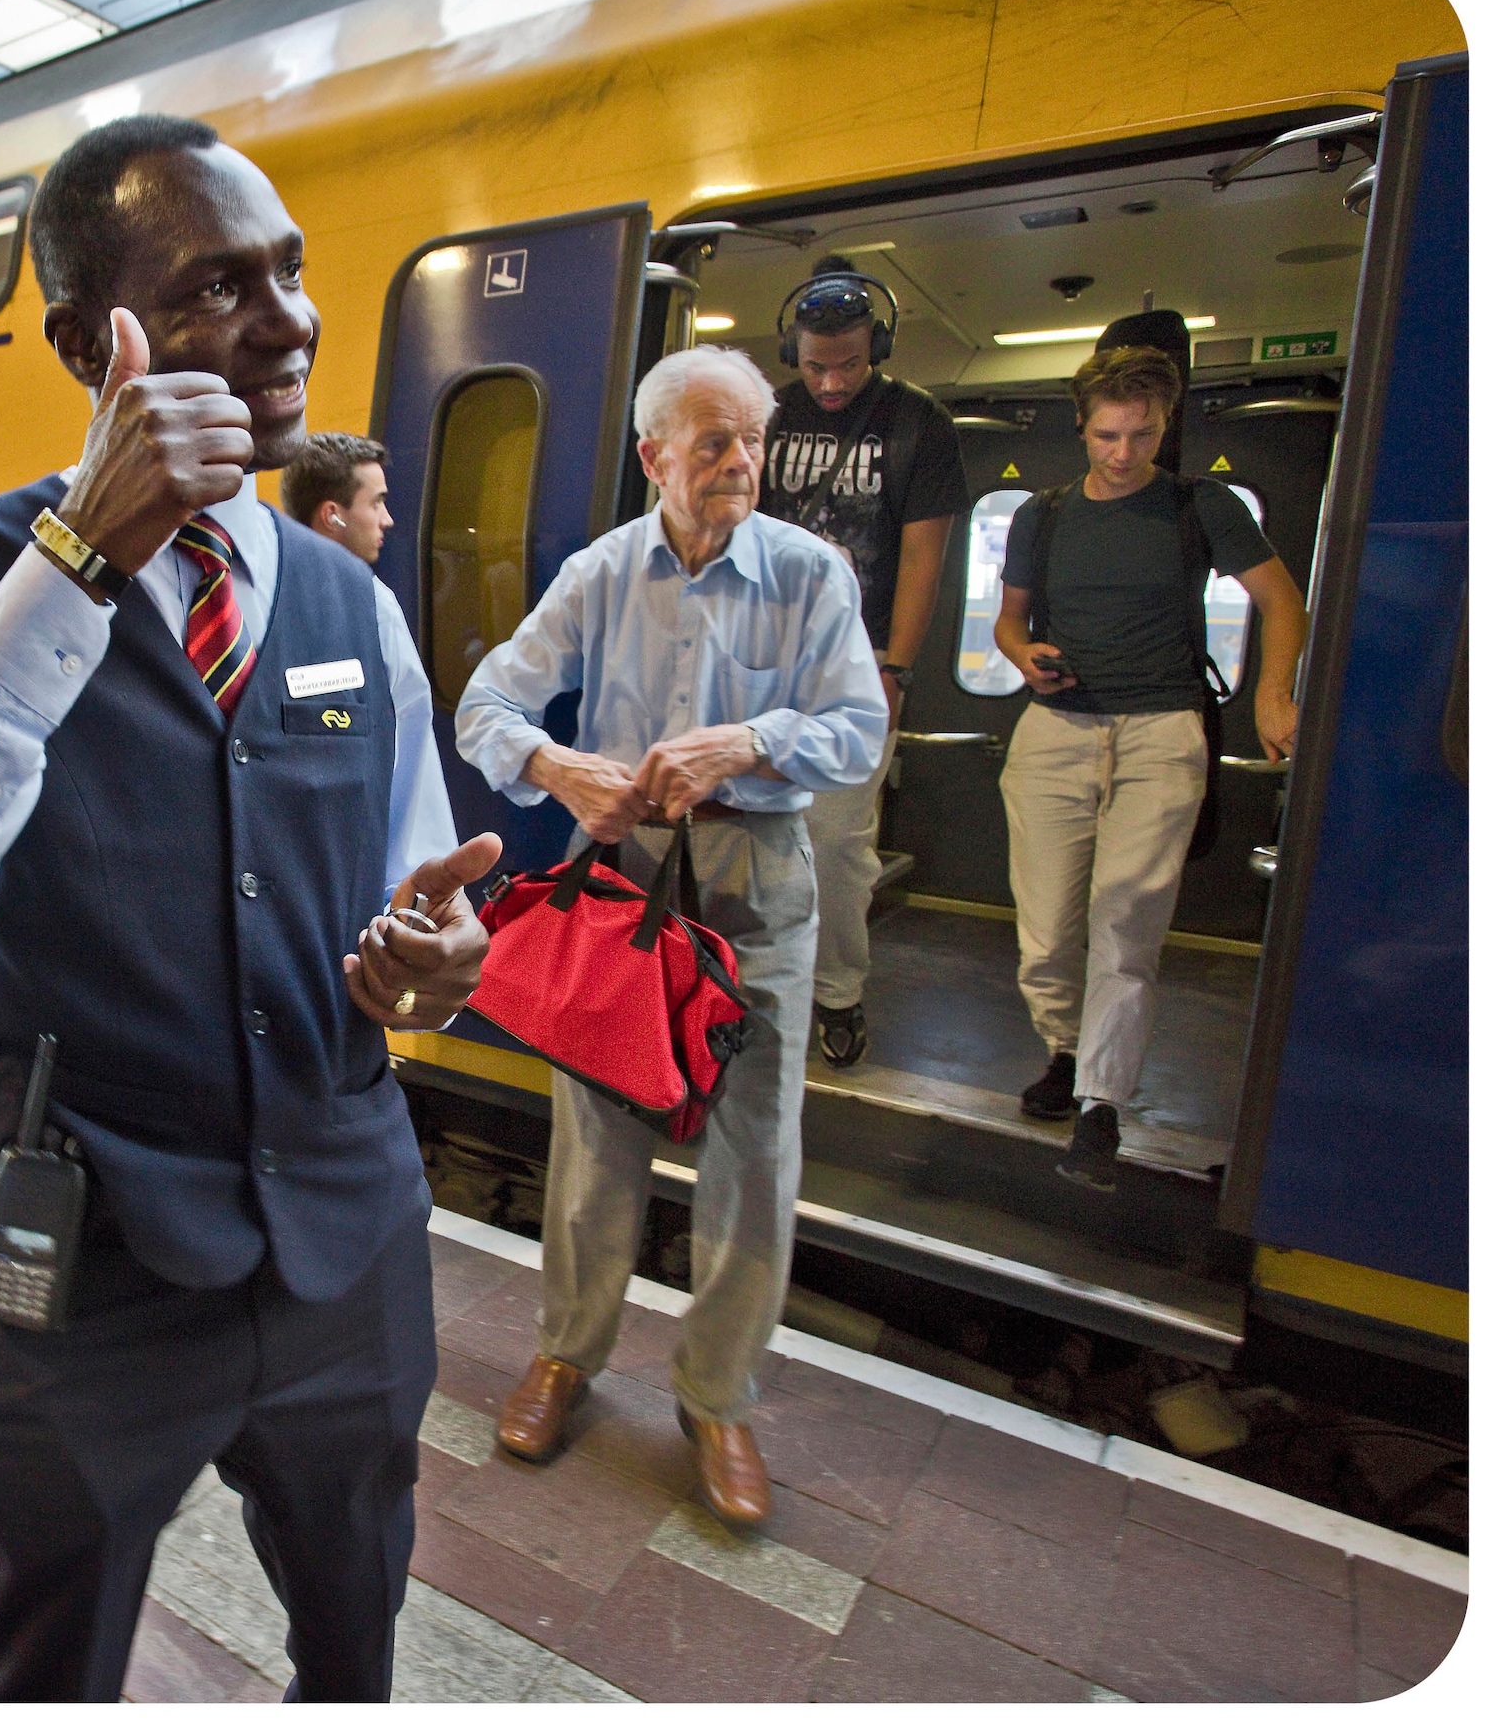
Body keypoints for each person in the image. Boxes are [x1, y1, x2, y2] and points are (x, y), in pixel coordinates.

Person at [0, 114, 497, 1702]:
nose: (290, 320)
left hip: (343, 1248)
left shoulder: (345, 602)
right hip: (83, 1276)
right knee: (44, 1657)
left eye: (291, 272)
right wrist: (77, 562)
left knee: (356, 1629)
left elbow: (413, 902)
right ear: (85, 343)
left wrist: (430, 970)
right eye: (216, 285)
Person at [456, 344, 887, 1525]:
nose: (738, 462)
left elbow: (858, 730)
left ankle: (717, 1400)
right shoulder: (600, 574)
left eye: (750, 439)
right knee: (597, 1136)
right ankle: (567, 1356)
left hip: (759, 883)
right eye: (711, 442)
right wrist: (551, 764)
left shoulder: (808, 574)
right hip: (625, 880)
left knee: (753, 1153)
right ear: (654, 456)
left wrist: (750, 742)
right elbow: (482, 704)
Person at [993, 346, 1305, 1188]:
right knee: (1048, 932)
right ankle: (1064, 1048)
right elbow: (1007, 624)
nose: (1123, 454)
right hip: (1055, 731)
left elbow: (1281, 599)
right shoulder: (1044, 516)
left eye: (1142, 435)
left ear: (1165, 427)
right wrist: (1026, 656)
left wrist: (1273, 696)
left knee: (1126, 918)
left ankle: (1101, 1103)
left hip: (1162, 731)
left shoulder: (1197, 506)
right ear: (1083, 427)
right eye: (1107, 435)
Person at [762, 256, 966, 1067]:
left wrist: (897, 668)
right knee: (751, 833)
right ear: (794, 353)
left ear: (876, 344)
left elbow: (923, 559)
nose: (834, 380)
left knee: (839, 841)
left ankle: (837, 991)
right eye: (817, 364)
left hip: (859, 667)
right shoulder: (765, 416)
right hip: (764, 664)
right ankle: (759, 989)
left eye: (849, 362)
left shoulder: (917, 422)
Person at [281, 430, 392, 565]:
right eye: (376, 503)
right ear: (331, 516)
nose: (387, 521)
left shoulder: (271, 578)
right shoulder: (363, 586)